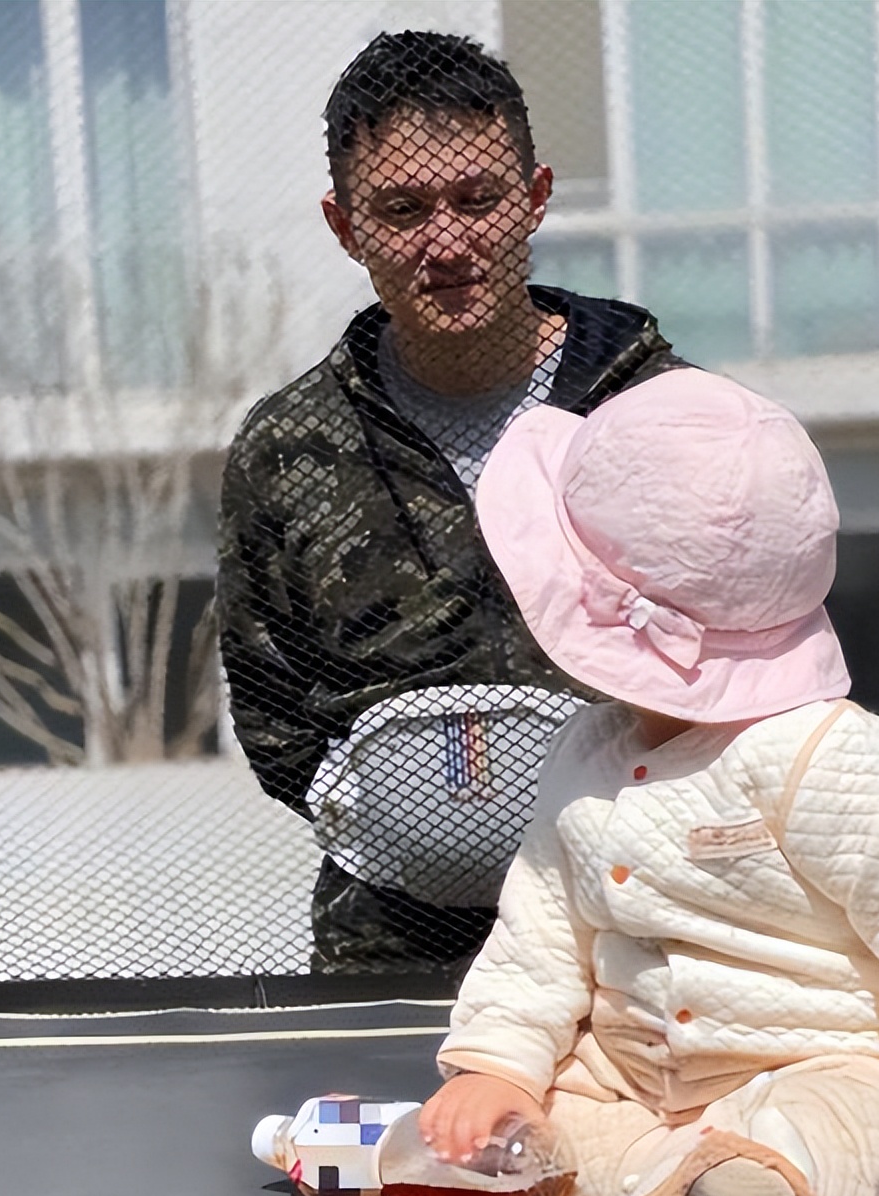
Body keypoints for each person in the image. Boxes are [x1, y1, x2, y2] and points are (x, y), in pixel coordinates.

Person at [419, 369, 879, 1196]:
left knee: (873, 1123)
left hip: (823, 1064)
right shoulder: (585, 750)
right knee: (538, 1117)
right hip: (631, 1079)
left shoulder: (830, 759)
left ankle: (763, 1189)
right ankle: (681, 1182)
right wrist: (500, 1068)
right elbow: (540, 932)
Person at [217, 31, 685, 974]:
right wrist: (399, 834)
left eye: (480, 199)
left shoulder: (662, 413)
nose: (448, 242)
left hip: (641, 933)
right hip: (390, 949)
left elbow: (752, 656)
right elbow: (271, 701)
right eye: (403, 209)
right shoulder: (288, 449)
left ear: (535, 198)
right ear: (345, 225)